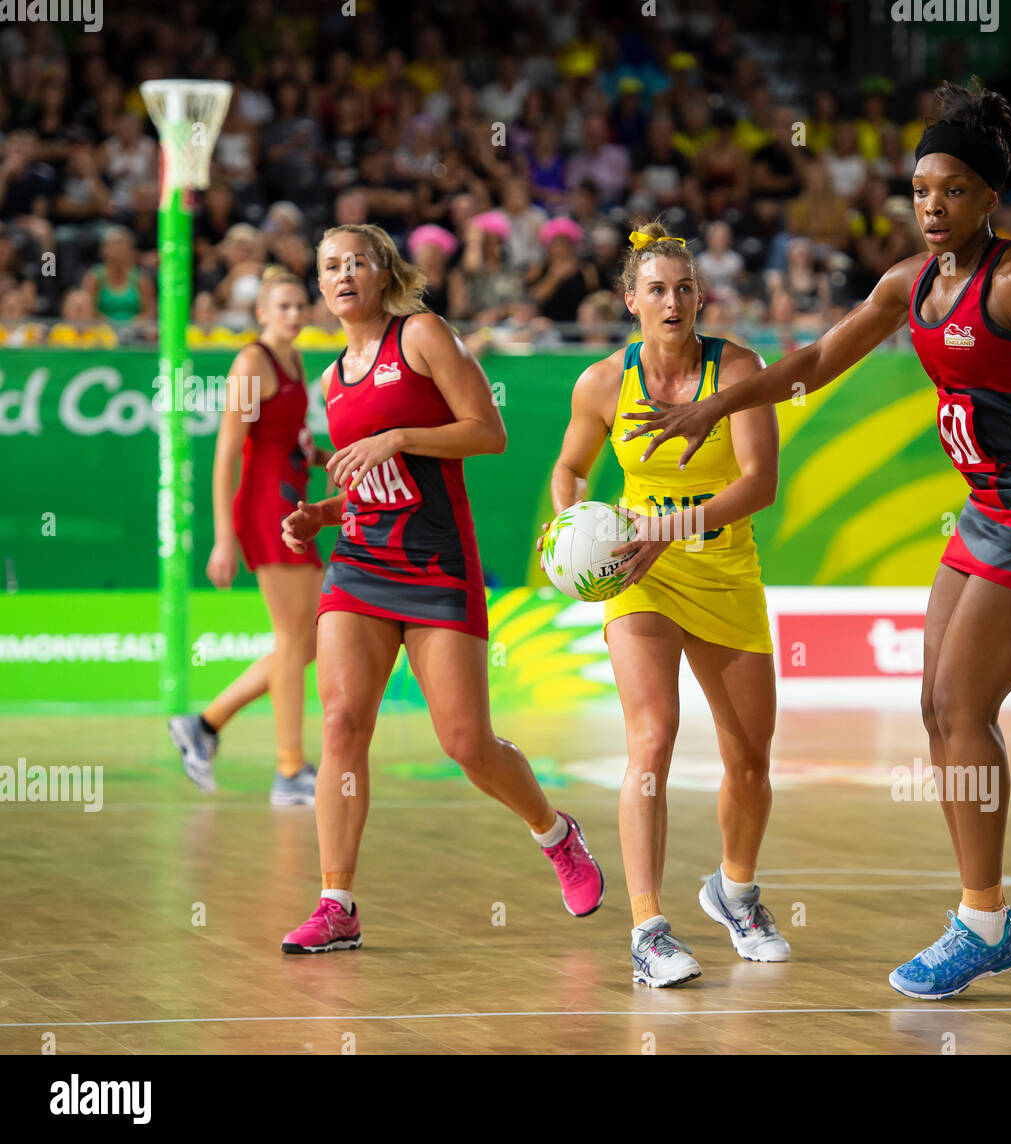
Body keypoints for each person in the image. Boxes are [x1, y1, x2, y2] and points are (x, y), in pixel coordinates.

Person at [626, 82, 1011, 1000]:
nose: (933, 208)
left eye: (952, 191)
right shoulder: (910, 282)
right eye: (920, 192)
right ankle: (986, 918)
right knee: (937, 710)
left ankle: (983, 920)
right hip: (989, 503)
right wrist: (717, 401)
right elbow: (817, 361)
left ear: (989, 198)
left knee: (962, 703)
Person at [278, 223, 604, 953]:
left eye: (356, 261)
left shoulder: (421, 335)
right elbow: (373, 487)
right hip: (360, 562)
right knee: (339, 725)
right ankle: (337, 904)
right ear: (320, 286)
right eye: (329, 265)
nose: (342, 274)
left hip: (435, 564)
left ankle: (555, 835)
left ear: (381, 270)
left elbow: (489, 433)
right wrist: (322, 516)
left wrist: (399, 437)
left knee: (465, 743)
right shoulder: (330, 380)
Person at [540, 222, 789, 987]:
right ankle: (649, 929)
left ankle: (734, 893)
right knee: (653, 735)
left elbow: (758, 485)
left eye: (685, 287)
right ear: (630, 301)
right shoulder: (602, 383)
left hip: (721, 570)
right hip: (639, 572)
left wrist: (671, 525)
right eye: (657, 289)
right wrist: (570, 525)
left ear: (701, 296)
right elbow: (570, 466)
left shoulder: (740, 369)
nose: (673, 300)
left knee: (749, 759)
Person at [169, 269, 327, 806]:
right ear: (260, 313)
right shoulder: (250, 363)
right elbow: (228, 451)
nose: (293, 314)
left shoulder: (294, 359)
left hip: (294, 502)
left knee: (308, 640)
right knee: (293, 640)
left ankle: (205, 724)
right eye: (281, 306)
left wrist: (323, 456)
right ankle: (288, 771)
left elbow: (286, 435)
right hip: (266, 509)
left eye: (298, 305)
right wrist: (223, 537)